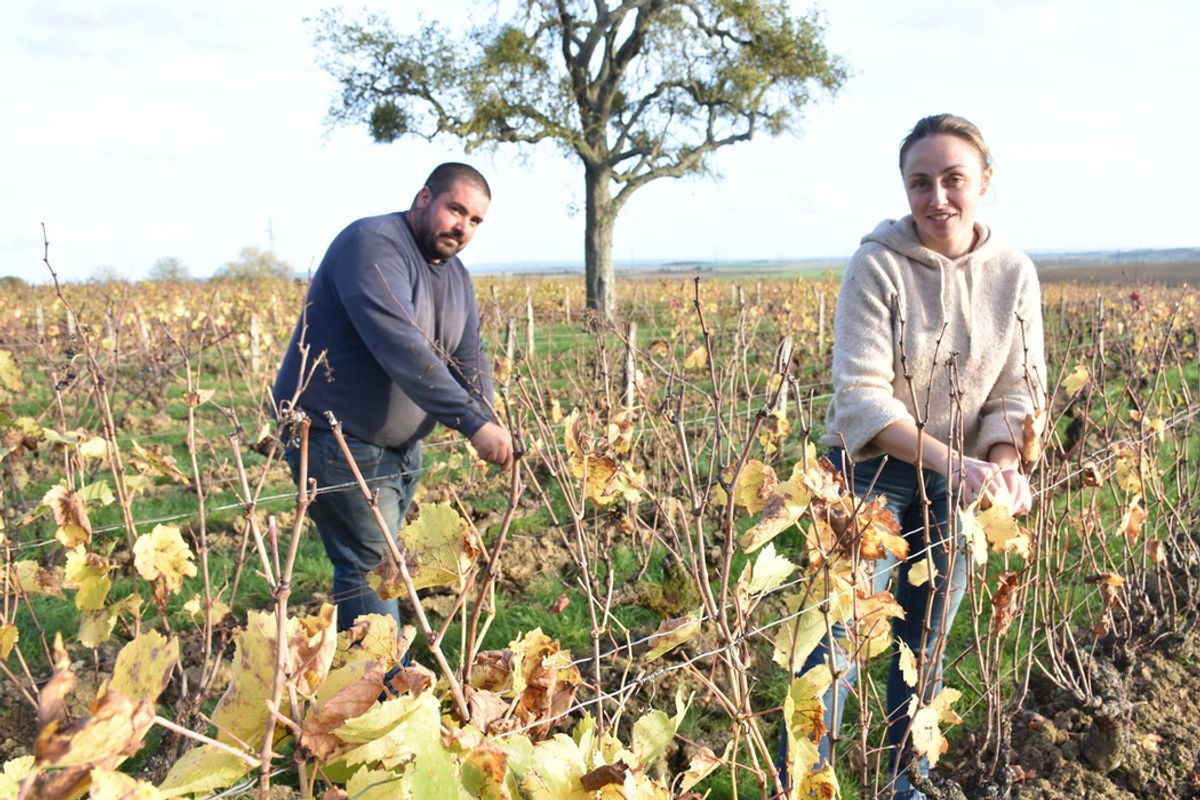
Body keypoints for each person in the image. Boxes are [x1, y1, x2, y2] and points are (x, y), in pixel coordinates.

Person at [800, 114, 1046, 798]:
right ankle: (806, 782)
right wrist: (956, 461)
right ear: (904, 189)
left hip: (957, 479)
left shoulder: (1015, 275)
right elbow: (861, 398)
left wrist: (1001, 464)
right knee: (838, 640)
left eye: (953, 179)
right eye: (920, 182)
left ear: (985, 183)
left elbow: (1016, 392)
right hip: (873, 469)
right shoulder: (876, 264)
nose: (937, 196)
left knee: (926, 642)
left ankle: (907, 785)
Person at [273, 162, 514, 633]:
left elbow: (469, 356)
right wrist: (471, 423)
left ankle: (356, 671)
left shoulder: (456, 275)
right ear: (424, 198)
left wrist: (489, 418)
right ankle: (380, 693)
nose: (462, 227)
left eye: (475, 221)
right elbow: (400, 346)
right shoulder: (372, 246)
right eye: (455, 210)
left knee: (374, 565)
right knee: (375, 568)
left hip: (401, 448)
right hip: (334, 436)